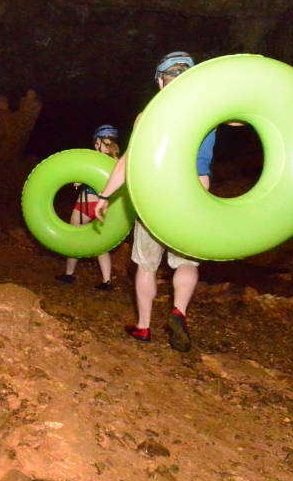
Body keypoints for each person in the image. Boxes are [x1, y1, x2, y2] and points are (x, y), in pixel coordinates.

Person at [92, 51, 215, 352]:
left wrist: (105, 195)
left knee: (146, 266)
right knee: (185, 262)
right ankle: (178, 312)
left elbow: (127, 164)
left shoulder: (147, 116)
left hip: (153, 199)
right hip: (193, 197)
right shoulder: (211, 111)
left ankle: (144, 328)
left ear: (161, 81)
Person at [57, 125, 119, 290]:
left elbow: (76, 183)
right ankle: (107, 281)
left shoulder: (90, 158)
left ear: (98, 141)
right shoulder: (116, 161)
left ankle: (69, 274)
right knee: (100, 244)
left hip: (87, 203)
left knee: (74, 237)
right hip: (106, 207)